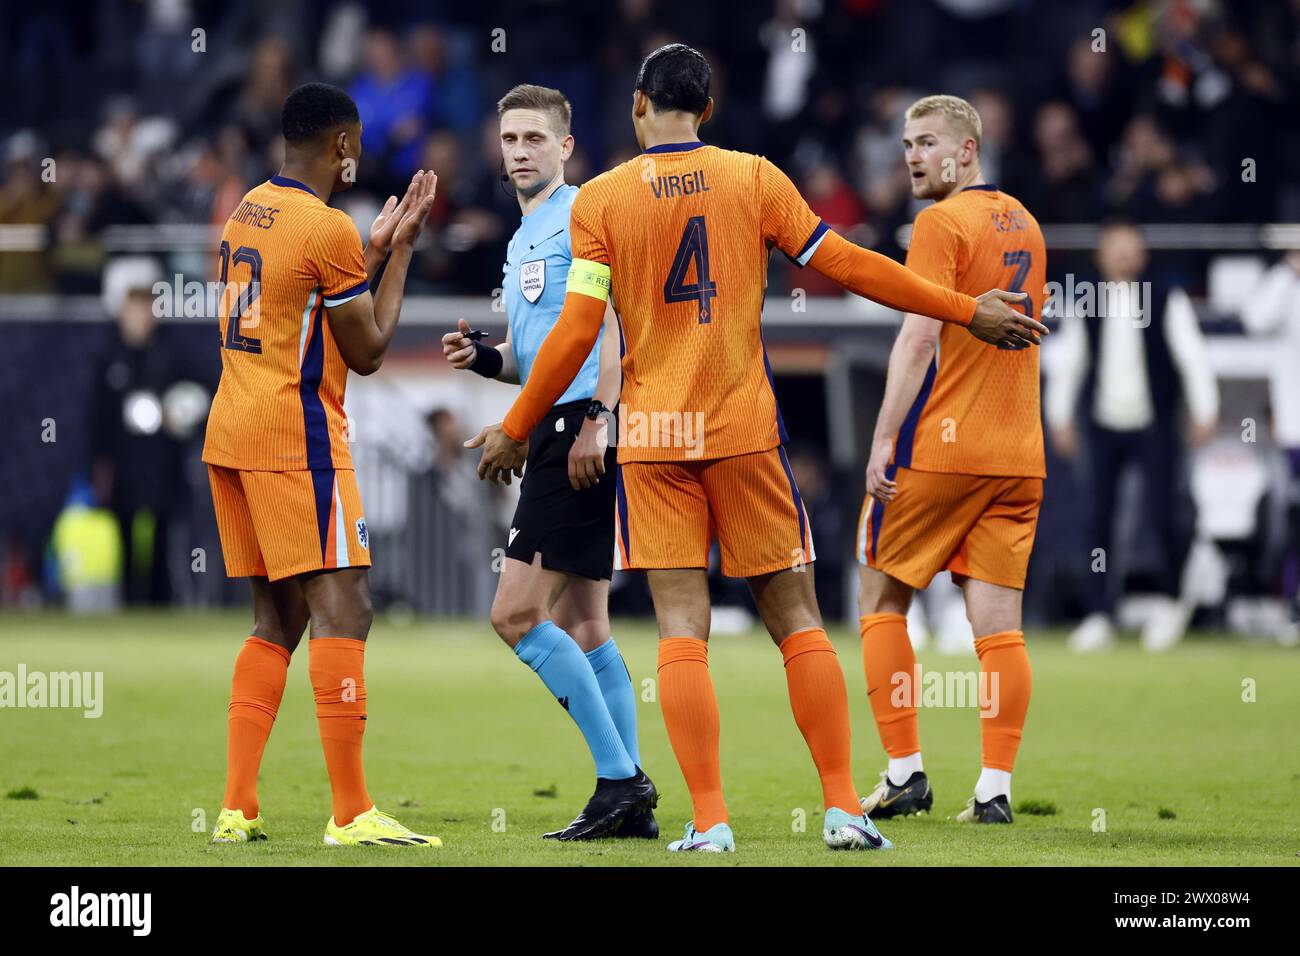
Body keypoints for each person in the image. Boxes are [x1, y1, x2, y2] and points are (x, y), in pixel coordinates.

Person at [468, 44, 1045, 854]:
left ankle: (710, 825)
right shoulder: (754, 177)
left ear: (639, 106)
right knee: (798, 621)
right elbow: (849, 264)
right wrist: (962, 309)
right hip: (744, 431)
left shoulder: (599, 201)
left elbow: (572, 335)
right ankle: (845, 812)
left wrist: (515, 423)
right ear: (706, 109)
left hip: (657, 436)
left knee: (680, 629)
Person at [202, 82, 440, 847]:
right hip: (294, 439)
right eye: (357, 144)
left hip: (231, 432)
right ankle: (351, 813)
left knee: (278, 618)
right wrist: (397, 254)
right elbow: (366, 351)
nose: (359, 157)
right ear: (341, 145)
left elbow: (298, 305)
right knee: (348, 608)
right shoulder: (328, 225)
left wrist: (366, 253)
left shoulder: (248, 209)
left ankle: (237, 807)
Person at [441, 84, 654, 840]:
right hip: (559, 424)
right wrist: (488, 359)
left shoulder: (584, 214)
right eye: (510, 139)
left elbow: (611, 331)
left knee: (514, 615)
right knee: (586, 623)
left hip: (574, 434)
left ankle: (620, 780)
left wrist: (600, 416)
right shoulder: (523, 233)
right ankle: (627, 797)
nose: (521, 150)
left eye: (535, 137)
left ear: (566, 147)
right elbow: (536, 353)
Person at [855, 95, 1046, 826]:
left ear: (968, 152)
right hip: (1019, 453)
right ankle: (993, 790)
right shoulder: (1026, 220)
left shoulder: (939, 222)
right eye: (906, 142)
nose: (911, 155)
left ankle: (905, 772)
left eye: (927, 142)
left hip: (947, 447)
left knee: (879, 598)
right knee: (999, 626)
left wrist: (882, 439)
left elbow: (919, 338)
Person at [1047, 222, 1218, 653]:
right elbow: (1071, 362)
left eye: (1130, 247)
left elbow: (1192, 358)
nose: (1123, 255)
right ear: (1101, 254)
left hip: (1154, 424)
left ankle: (1171, 601)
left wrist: (1204, 410)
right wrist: (1060, 415)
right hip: (1104, 424)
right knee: (1097, 519)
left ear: (1141, 254)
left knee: (1164, 514)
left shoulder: (1164, 297)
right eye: (1114, 247)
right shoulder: (1086, 299)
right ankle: (1099, 612)